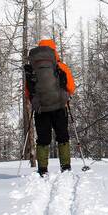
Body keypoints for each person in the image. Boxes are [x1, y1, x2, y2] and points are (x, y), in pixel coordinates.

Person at [23, 38, 76, 175]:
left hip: (41, 109)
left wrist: (37, 101)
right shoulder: (60, 66)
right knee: (62, 136)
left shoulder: (32, 68)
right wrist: (63, 95)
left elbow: (28, 92)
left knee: (43, 139)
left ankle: (42, 169)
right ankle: (65, 167)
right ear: (53, 50)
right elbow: (71, 87)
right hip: (59, 106)